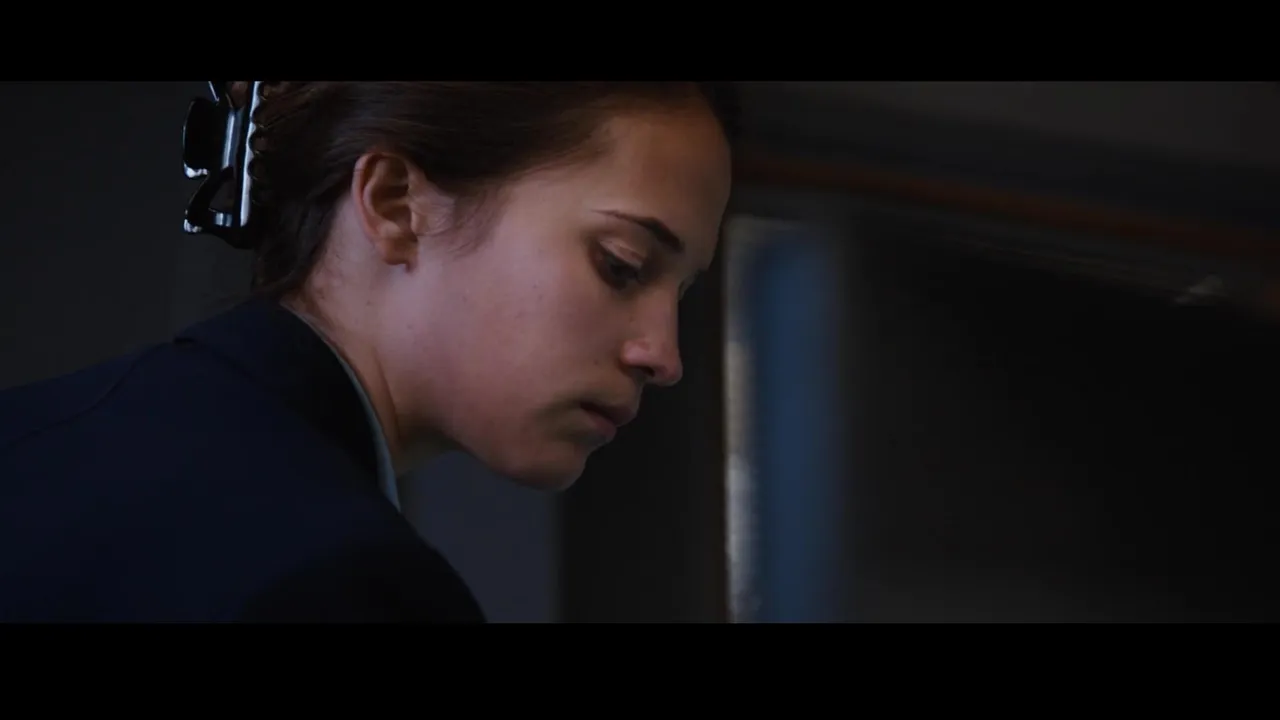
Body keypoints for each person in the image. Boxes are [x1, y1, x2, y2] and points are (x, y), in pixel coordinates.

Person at [0, 81, 738, 622]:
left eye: (680, 293)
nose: (664, 356)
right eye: (621, 264)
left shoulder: (31, 438)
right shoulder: (342, 583)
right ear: (393, 205)